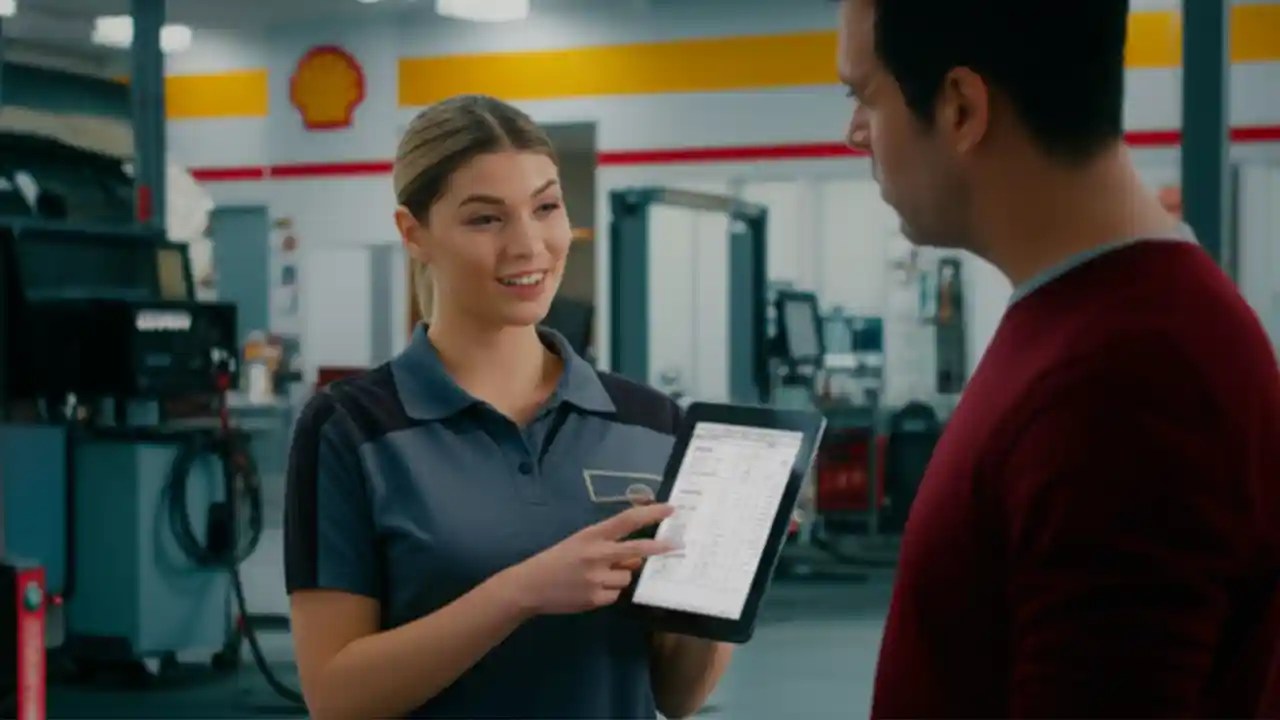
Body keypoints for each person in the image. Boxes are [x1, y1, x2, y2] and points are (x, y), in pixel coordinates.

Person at [834, 0, 1280, 717]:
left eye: (863, 95)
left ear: (959, 108)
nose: (854, 133)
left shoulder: (1131, 378)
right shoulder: (1093, 325)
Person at [282, 94, 732, 720]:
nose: (529, 246)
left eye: (545, 207)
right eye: (485, 220)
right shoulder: (351, 428)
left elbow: (678, 697)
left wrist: (728, 572)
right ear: (414, 234)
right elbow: (336, 698)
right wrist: (519, 593)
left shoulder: (653, 423)